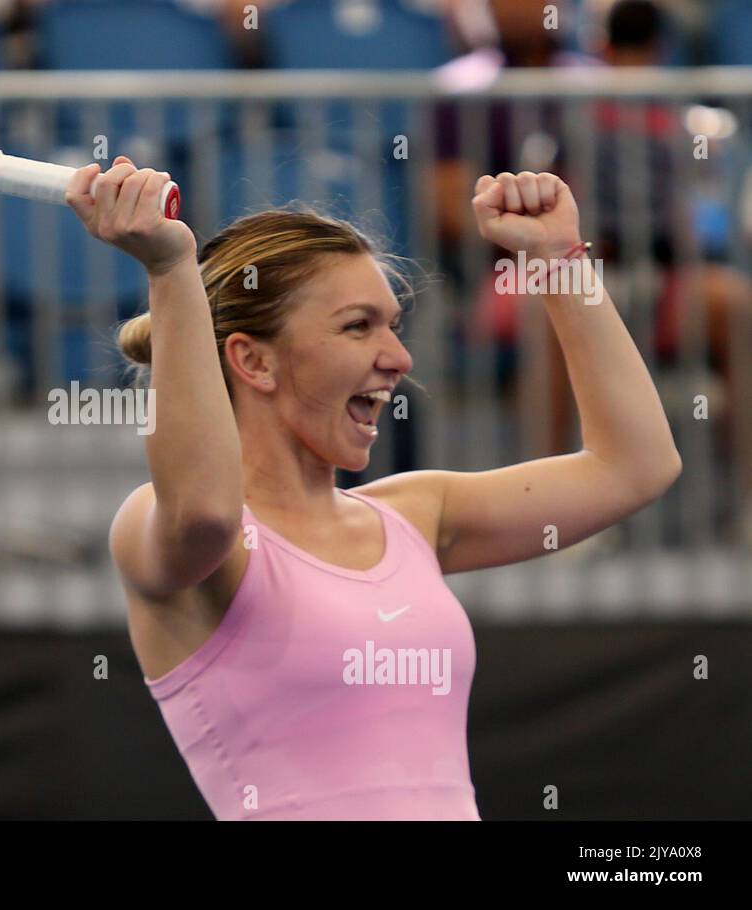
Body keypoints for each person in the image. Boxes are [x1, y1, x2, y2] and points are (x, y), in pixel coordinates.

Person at [65, 157, 681, 820]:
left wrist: (559, 258)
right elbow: (209, 514)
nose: (399, 358)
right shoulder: (171, 529)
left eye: (393, 325)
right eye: (359, 326)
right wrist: (169, 270)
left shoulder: (416, 513)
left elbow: (636, 466)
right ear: (253, 360)